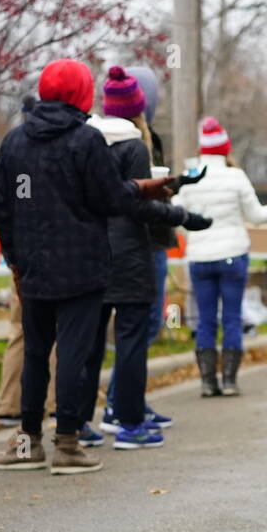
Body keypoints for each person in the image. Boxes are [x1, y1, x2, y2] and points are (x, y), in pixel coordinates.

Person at [0, 59, 202, 474]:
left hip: (32, 269)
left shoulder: (15, 142)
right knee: (72, 351)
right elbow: (111, 201)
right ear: (82, 94)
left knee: (35, 352)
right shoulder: (85, 141)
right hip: (82, 267)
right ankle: (67, 444)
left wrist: (15, 261)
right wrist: (143, 187)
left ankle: (27, 442)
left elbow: (1, 208)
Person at [82, 66, 210, 450]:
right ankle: (129, 425)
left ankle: (79, 425)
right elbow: (136, 204)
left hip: (91, 253)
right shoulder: (134, 145)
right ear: (139, 109)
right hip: (131, 256)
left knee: (88, 345)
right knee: (132, 340)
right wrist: (183, 216)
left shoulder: (88, 141)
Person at [172, 116, 267, 397]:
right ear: (225, 148)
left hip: (200, 256)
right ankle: (228, 381)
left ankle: (206, 382)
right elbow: (257, 216)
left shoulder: (189, 176)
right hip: (232, 255)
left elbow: (178, 217)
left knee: (204, 319)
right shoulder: (235, 176)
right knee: (230, 316)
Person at [99, 66, 178, 434]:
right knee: (136, 328)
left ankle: (131, 403)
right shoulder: (125, 143)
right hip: (136, 245)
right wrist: (176, 210)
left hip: (149, 240)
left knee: (143, 328)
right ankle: (119, 407)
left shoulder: (149, 139)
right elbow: (131, 198)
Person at [0, 96, 55, 427]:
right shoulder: (50, 148)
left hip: (20, 257)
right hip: (49, 255)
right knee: (55, 332)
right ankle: (54, 402)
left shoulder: (12, 149)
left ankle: (8, 404)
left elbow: (1, 205)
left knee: (19, 330)